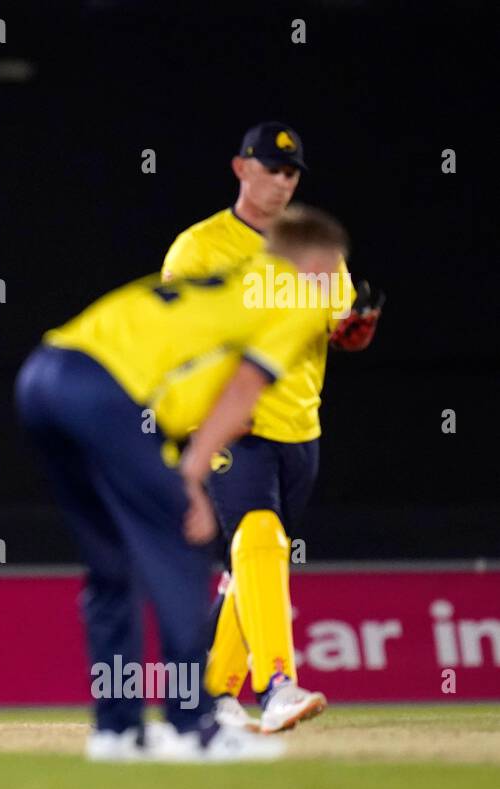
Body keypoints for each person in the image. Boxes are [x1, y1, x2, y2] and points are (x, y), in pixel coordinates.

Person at [17, 205, 352, 761]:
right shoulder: (296, 296)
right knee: (181, 551)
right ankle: (195, 725)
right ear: (314, 261)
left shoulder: (233, 281)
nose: (337, 281)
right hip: (105, 390)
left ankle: (117, 731)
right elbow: (244, 394)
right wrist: (191, 479)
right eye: (334, 266)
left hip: (44, 374)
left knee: (111, 566)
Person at [162, 122, 382, 733]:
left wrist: (351, 331)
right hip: (234, 426)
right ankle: (278, 683)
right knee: (262, 537)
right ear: (241, 169)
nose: (282, 180)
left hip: (300, 426)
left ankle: (206, 694)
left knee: (250, 563)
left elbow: (335, 322)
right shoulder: (200, 248)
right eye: (271, 168)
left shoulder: (317, 248)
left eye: (291, 172)